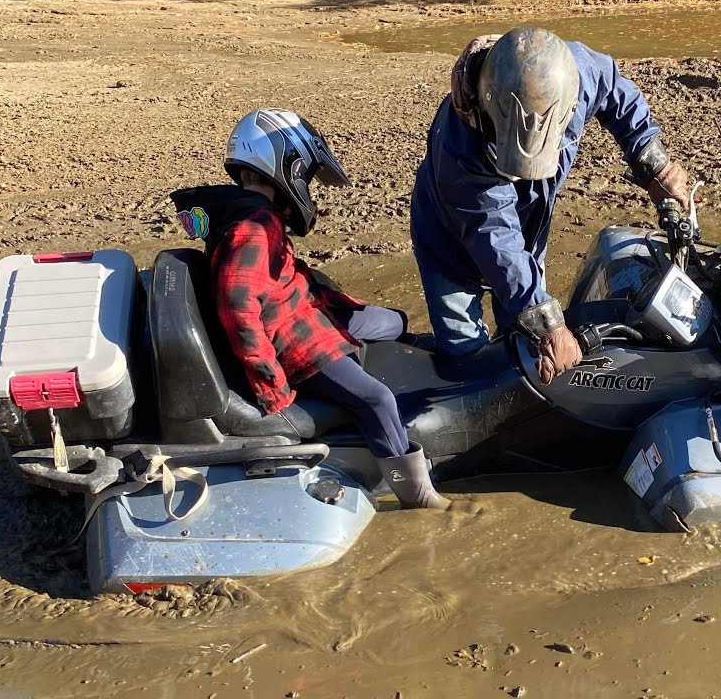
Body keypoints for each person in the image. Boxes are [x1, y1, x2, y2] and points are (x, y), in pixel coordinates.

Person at [171, 108, 450, 509]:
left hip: (306, 308)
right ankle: (418, 496)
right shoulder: (254, 225)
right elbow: (237, 306)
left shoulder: (249, 214)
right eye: (305, 176)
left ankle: (423, 348)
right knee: (377, 399)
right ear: (285, 165)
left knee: (394, 321)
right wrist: (271, 385)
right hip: (297, 339)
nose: (305, 186)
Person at [410, 27, 692, 382]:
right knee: (467, 354)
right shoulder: (459, 150)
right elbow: (497, 241)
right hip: (449, 242)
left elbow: (616, 91)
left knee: (525, 338)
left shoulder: (572, 73)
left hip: (527, 229)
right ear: (487, 108)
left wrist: (655, 165)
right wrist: (551, 328)